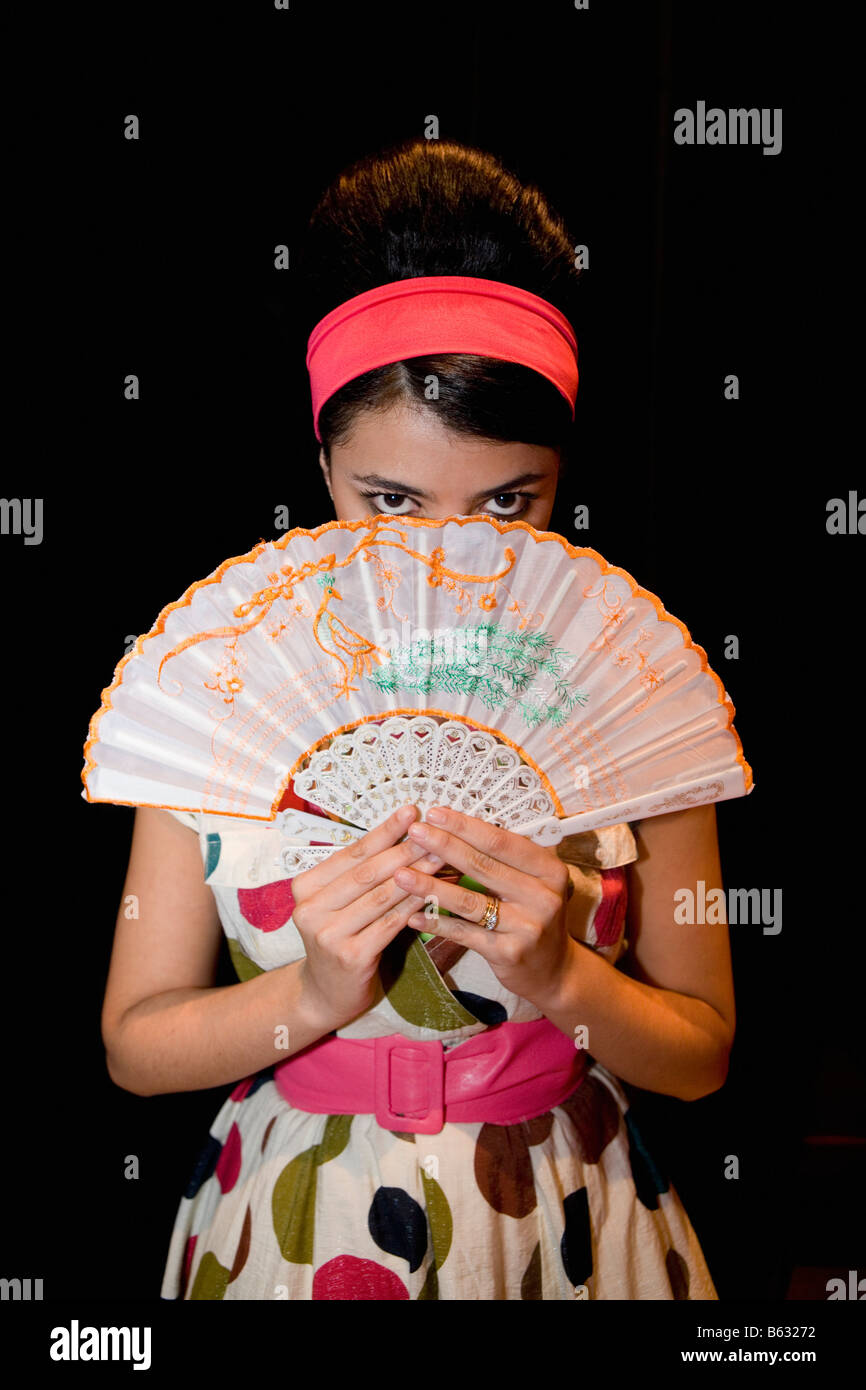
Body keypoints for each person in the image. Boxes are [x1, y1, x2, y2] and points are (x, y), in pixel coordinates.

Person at [100, 138, 735, 1300]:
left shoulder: (635, 698)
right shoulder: (218, 689)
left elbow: (698, 1057)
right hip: (297, 1225)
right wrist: (303, 1000)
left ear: (558, 475)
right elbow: (135, 1045)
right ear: (322, 463)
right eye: (388, 500)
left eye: (508, 501)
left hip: (564, 1211)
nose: (448, 552)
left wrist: (565, 977)